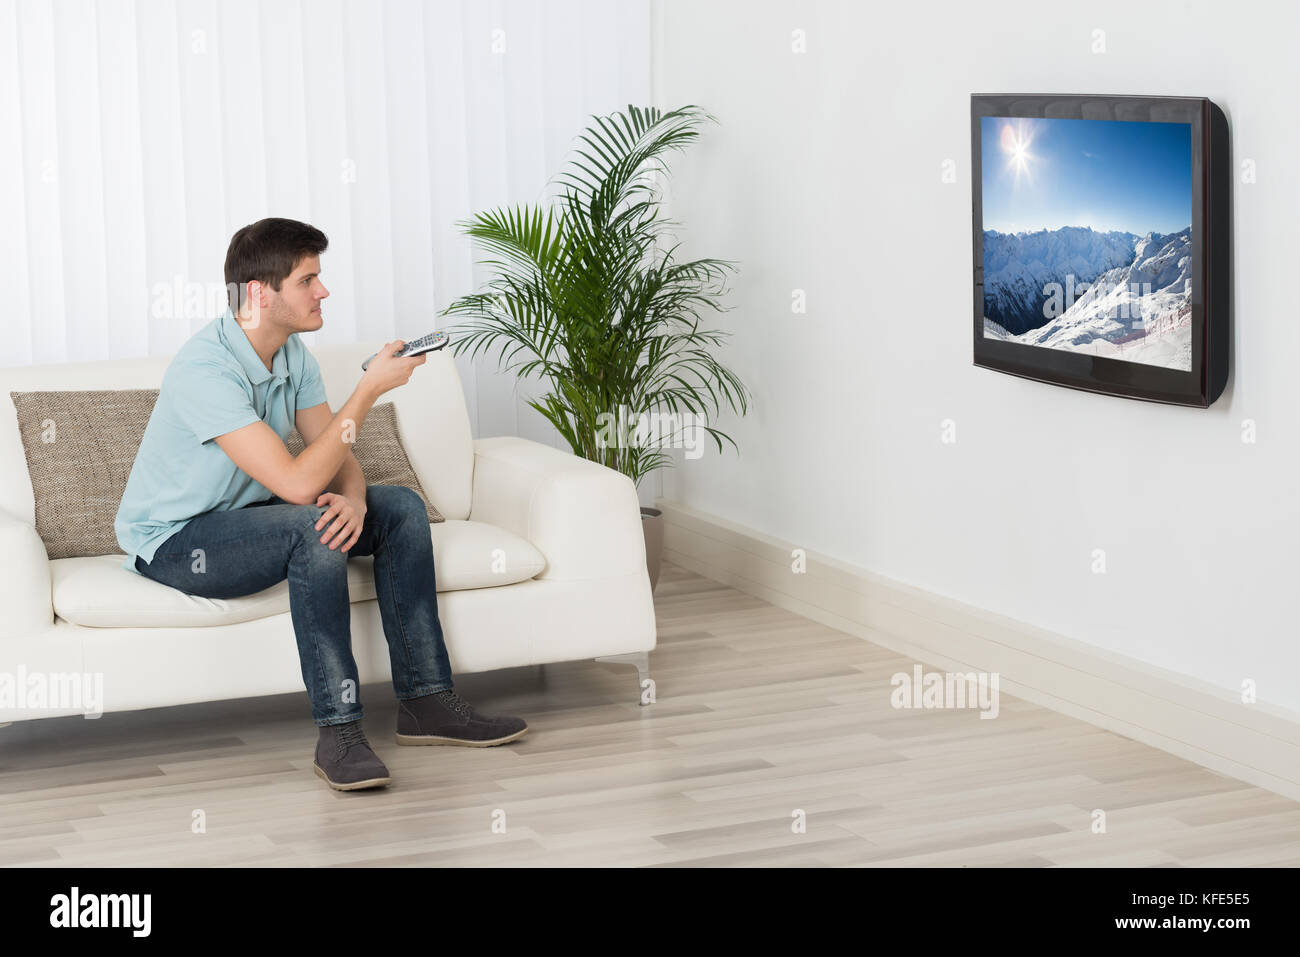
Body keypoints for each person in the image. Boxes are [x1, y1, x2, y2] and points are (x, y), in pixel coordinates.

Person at [114, 217, 527, 791]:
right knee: (311, 526)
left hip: (248, 518)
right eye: (308, 280)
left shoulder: (292, 354)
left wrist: (356, 501)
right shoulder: (205, 370)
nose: (323, 291)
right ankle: (340, 731)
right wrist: (369, 390)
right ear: (260, 293)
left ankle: (426, 701)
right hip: (178, 540)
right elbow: (298, 486)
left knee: (402, 509)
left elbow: (334, 452)